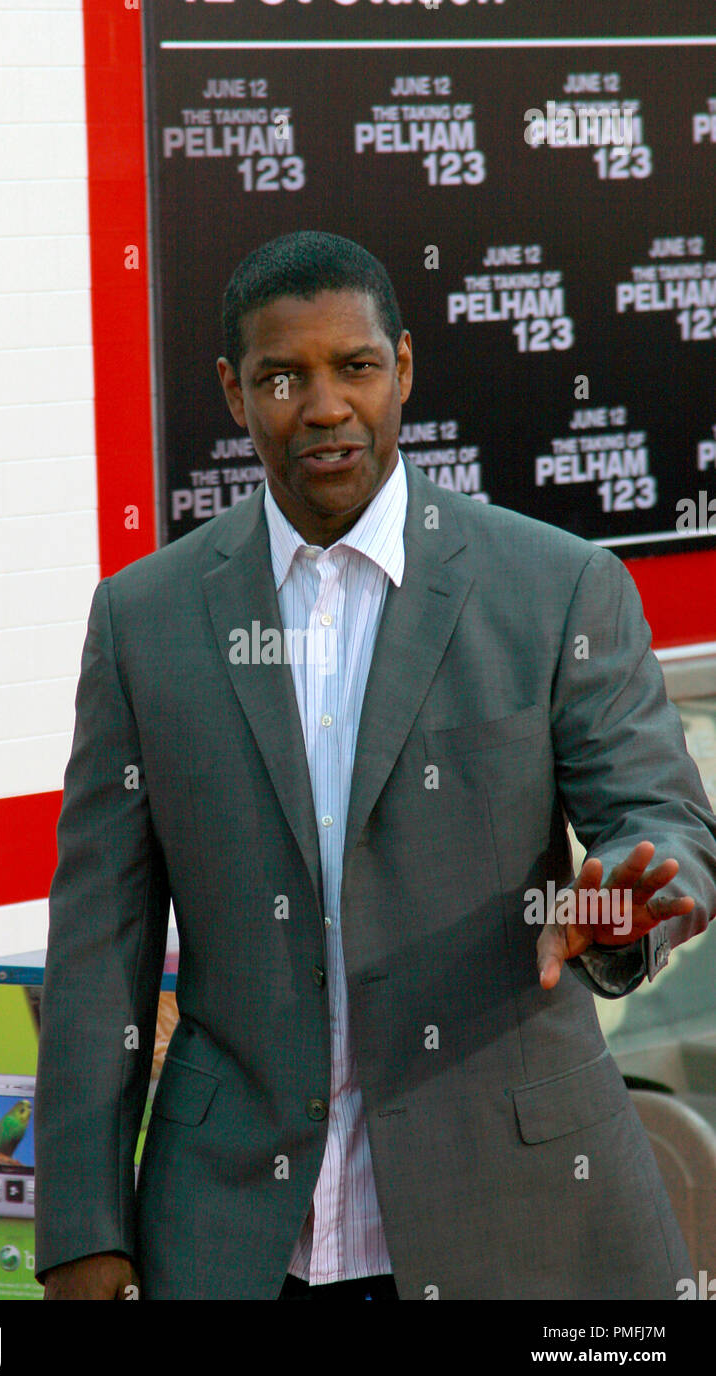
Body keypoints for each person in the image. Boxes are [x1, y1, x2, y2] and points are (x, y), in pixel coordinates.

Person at [35, 230, 716, 1301]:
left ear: (400, 368)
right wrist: (79, 1228)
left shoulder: (555, 588)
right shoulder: (143, 622)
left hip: (512, 1210)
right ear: (232, 391)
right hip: (234, 1234)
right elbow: (97, 945)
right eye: (280, 376)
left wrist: (633, 897)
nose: (322, 406)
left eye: (352, 367)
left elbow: (663, 826)